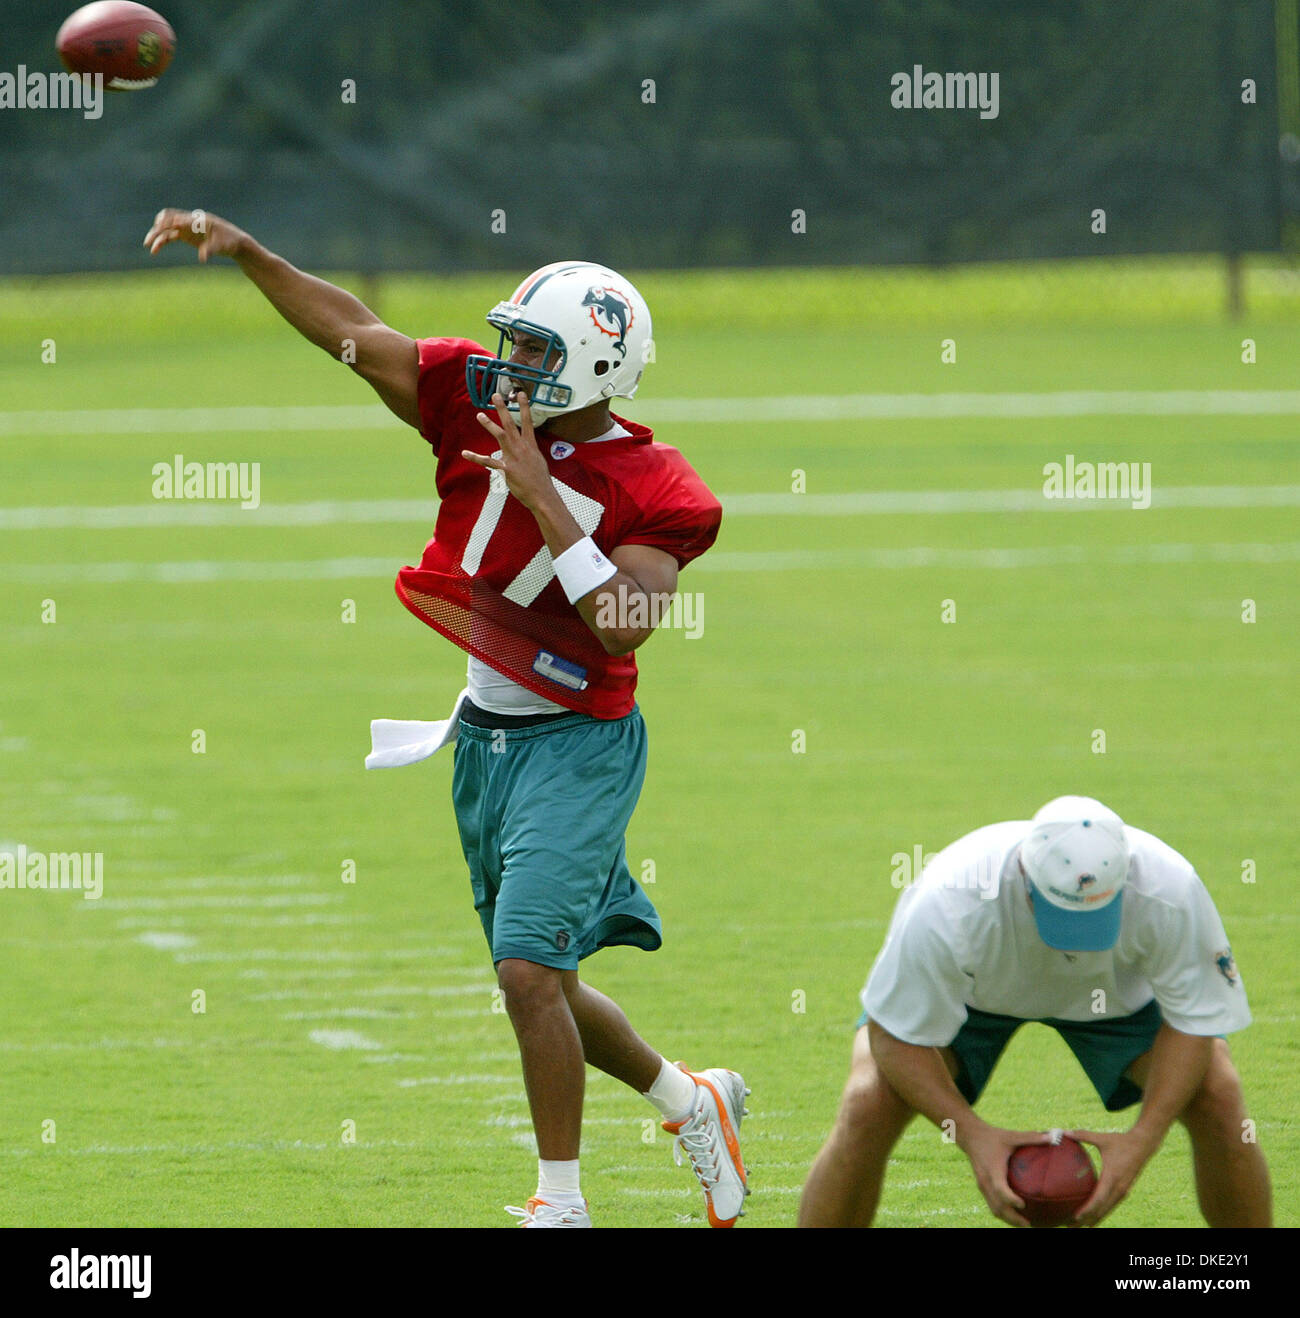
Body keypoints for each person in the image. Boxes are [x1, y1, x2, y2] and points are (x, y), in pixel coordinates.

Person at [143, 212, 750, 1228]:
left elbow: (622, 626)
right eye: (512, 340)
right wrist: (251, 254)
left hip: (579, 744)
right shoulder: (476, 402)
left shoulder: (657, 488)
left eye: (536, 351)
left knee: (524, 968)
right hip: (482, 737)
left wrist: (546, 497)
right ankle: (693, 1101)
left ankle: (561, 1204)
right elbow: (354, 331)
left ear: (594, 368)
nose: (510, 363)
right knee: (542, 979)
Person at [798, 795, 1271, 1228]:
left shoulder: (1171, 888)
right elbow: (893, 1036)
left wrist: (1143, 1139)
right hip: (975, 996)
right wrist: (971, 1135)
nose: (1074, 939)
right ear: (1024, 876)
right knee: (867, 1102)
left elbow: (1196, 1021)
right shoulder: (949, 899)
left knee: (1219, 1096)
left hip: (1114, 997)